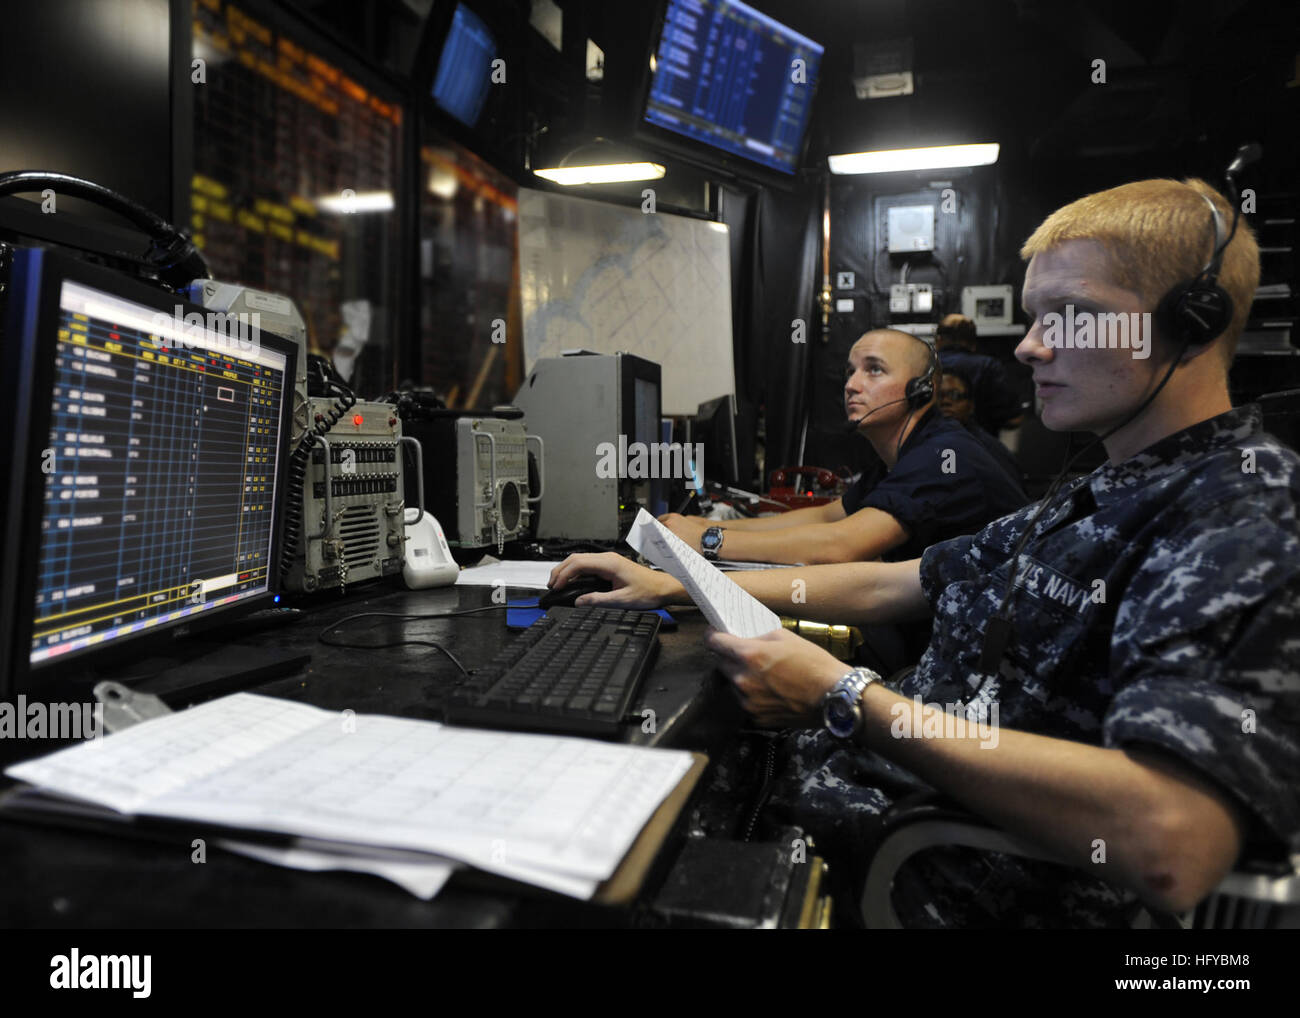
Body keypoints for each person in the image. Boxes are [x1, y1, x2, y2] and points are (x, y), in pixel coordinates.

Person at [547, 177, 1300, 927]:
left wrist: (846, 697)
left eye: (1072, 315)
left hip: (912, 871)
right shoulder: (1104, 488)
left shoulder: (1242, 513)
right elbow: (897, 584)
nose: (1030, 346)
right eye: (1034, 317)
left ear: (1192, 323)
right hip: (857, 785)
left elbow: (1171, 840)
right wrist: (676, 583)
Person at [659, 329, 1026, 569]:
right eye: (851, 371)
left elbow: (840, 544)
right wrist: (708, 524)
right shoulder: (902, 455)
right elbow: (826, 518)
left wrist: (707, 541)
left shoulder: (943, 456)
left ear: (921, 390)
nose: (851, 384)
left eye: (874, 370)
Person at [935, 312, 1027, 435]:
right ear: (973, 344)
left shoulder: (923, 366)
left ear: (938, 341)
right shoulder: (989, 367)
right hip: (978, 443)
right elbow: (1014, 419)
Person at [939, 362, 1024, 484]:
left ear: (971, 406)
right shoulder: (924, 442)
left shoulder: (989, 451)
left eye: (955, 395)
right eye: (938, 396)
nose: (945, 401)